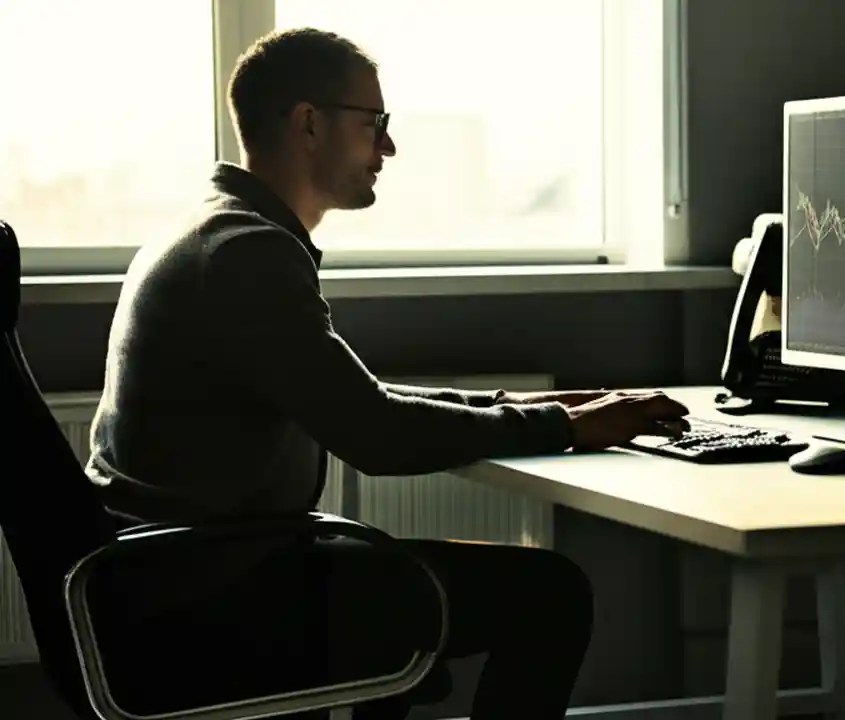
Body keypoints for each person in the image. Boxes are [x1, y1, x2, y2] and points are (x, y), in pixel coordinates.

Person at [84, 27, 689, 720]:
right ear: (309, 123)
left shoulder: (216, 233)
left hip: (170, 578)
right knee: (551, 593)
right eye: (374, 122)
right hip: (214, 598)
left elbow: (353, 400)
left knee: (398, 592)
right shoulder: (246, 255)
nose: (389, 147)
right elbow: (374, 435)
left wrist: (520, 403)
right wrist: (561, 426)